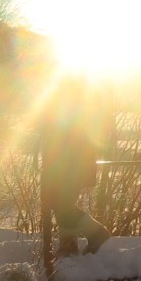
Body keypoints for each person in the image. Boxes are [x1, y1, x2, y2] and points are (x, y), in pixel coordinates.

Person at [40, 78, 114, 255]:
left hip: (70, 167)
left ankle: (95, 233)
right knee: (58, 203)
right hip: (66, 166)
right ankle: (69, 246)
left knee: (62, 205)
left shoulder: (74, 109)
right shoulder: (76, 106)